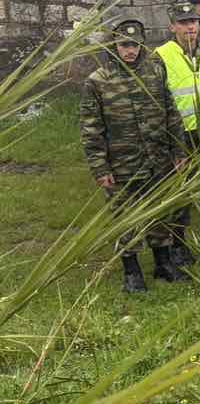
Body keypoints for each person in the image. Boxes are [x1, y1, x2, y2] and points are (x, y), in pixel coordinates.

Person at [81, 17, 187, 293]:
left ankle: (163, 263)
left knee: (160, 211)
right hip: (122, 163)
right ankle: (132, 271)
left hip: (158, 159)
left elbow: (171, 112)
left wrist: (179, 150)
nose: (131, 51)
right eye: (125, 45)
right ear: (115, 46)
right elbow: (91, 129)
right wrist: (100, 168)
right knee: (126, 217)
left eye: (135, 45)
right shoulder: (98, 81)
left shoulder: (155, 70)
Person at [153, 1, 200, 264]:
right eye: (183, 23)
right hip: (180, 133)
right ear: (173, 27)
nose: (190, 27)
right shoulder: (161, 56)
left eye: (193, 21)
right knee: (181, 191)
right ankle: (178, 245)